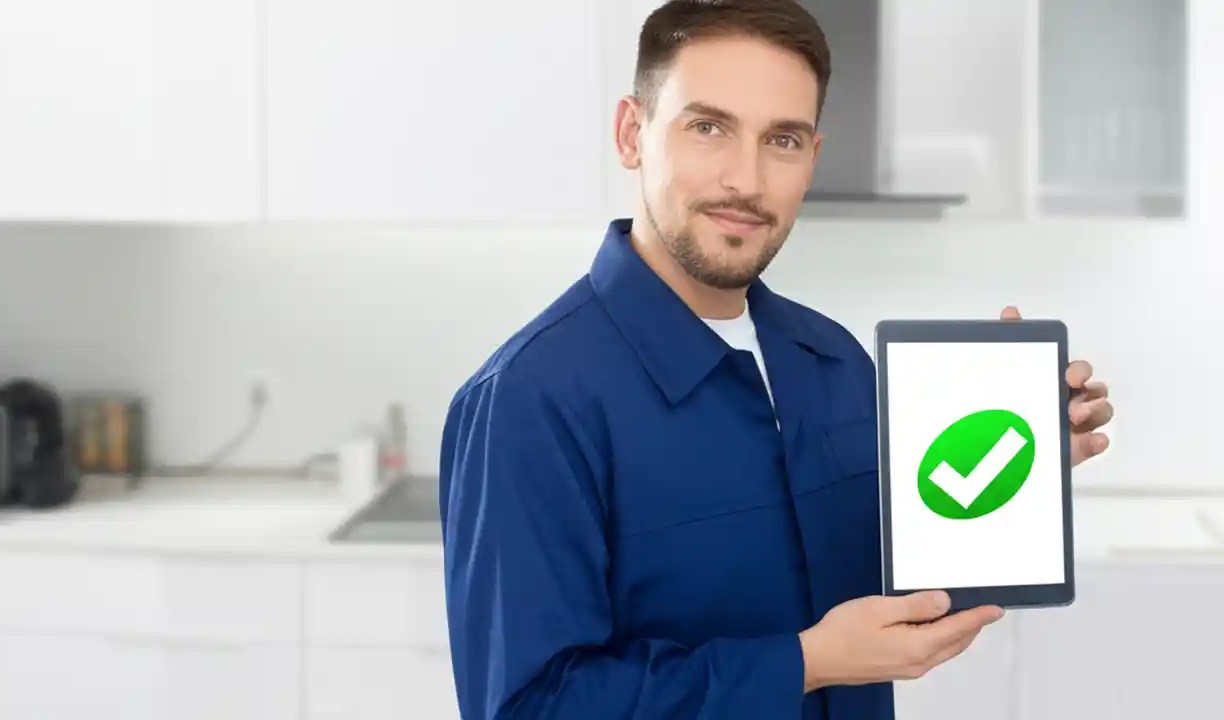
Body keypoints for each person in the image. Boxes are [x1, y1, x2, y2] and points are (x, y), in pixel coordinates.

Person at [437, 1, 1115, 718]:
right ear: (633, 134)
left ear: (812, 158)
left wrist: (1018, 459)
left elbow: (894, 565)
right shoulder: (529, 399)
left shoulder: (834, 363)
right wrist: (806, 664)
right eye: (708, 127)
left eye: (782, 140)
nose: (746, 180)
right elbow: (531, 706)